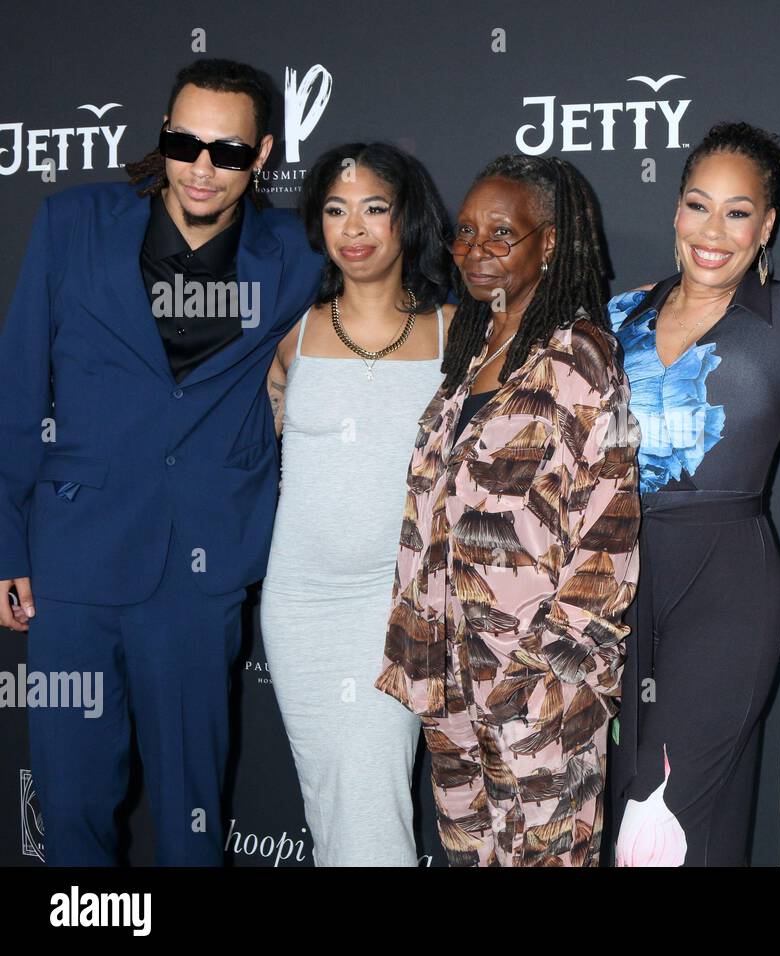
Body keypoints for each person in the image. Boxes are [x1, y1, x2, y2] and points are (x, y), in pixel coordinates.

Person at [0, 58, 321, 865]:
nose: (202, 168)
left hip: (199, 567)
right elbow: (14, 391)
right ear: (162, 137)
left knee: (194, 815)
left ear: (264, 154)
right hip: (72, 558)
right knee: (71, 809)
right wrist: (5, 543)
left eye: (229, 151)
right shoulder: (73, 225)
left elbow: (406, 288)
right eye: (184, 142)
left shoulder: (297, 254)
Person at [375, 155, 639, 867]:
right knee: (468, 855)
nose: (475, 251)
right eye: (464, 233)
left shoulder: (579, 357)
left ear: (548, 244)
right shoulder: (470, 351)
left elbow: (607, 533)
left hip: (534, 680)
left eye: (501, 233)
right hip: (448, 667)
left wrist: (550, 673)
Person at [606, 121, 780, 867]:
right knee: (636, 796)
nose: (714, 231)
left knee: (666, 821)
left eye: (738, 213)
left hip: (728, 589)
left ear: (767, 226)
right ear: (675, 211)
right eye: (699, 206)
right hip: (618, 591)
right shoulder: (619, 316)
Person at [260, 143, 455, 865]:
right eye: (337, 210)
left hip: (398, 602)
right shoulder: (292, 336)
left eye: (376, 208)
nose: (356, 227)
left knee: (370, 803)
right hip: (300, 604)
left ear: (408, 217)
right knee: (334, 799)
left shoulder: (455, 336)